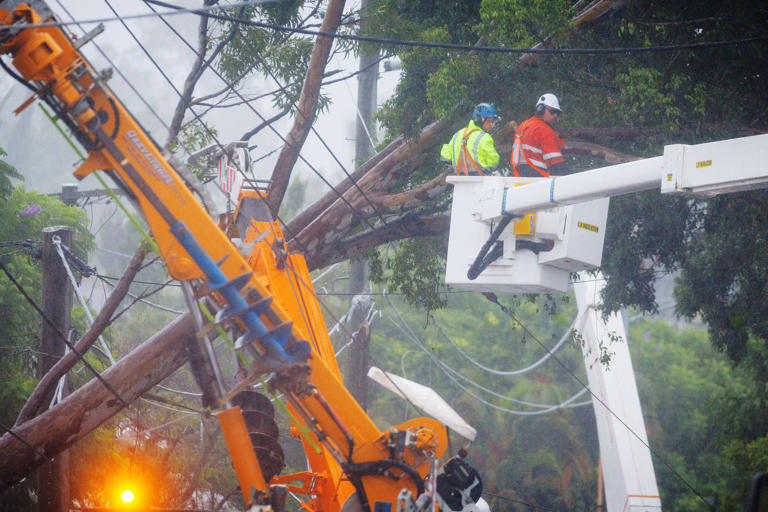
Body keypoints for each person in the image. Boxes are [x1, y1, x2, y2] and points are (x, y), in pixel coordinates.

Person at [510, 93, 569, 177]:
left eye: (557, 113)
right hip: (539, 178)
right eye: (553, 112)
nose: (555, 115)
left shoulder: (523, 126)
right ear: (540, 109)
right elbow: (556, 163)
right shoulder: (544, 130)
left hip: (520, 176)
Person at [441, 103, 500, 175]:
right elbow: (494, 162)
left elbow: (445, 156)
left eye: (492, 121)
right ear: (478, 119)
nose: (491, 124)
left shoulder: (458, 134)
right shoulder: (485, 137)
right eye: (489, 121)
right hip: (481, 181)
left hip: (460, 181)